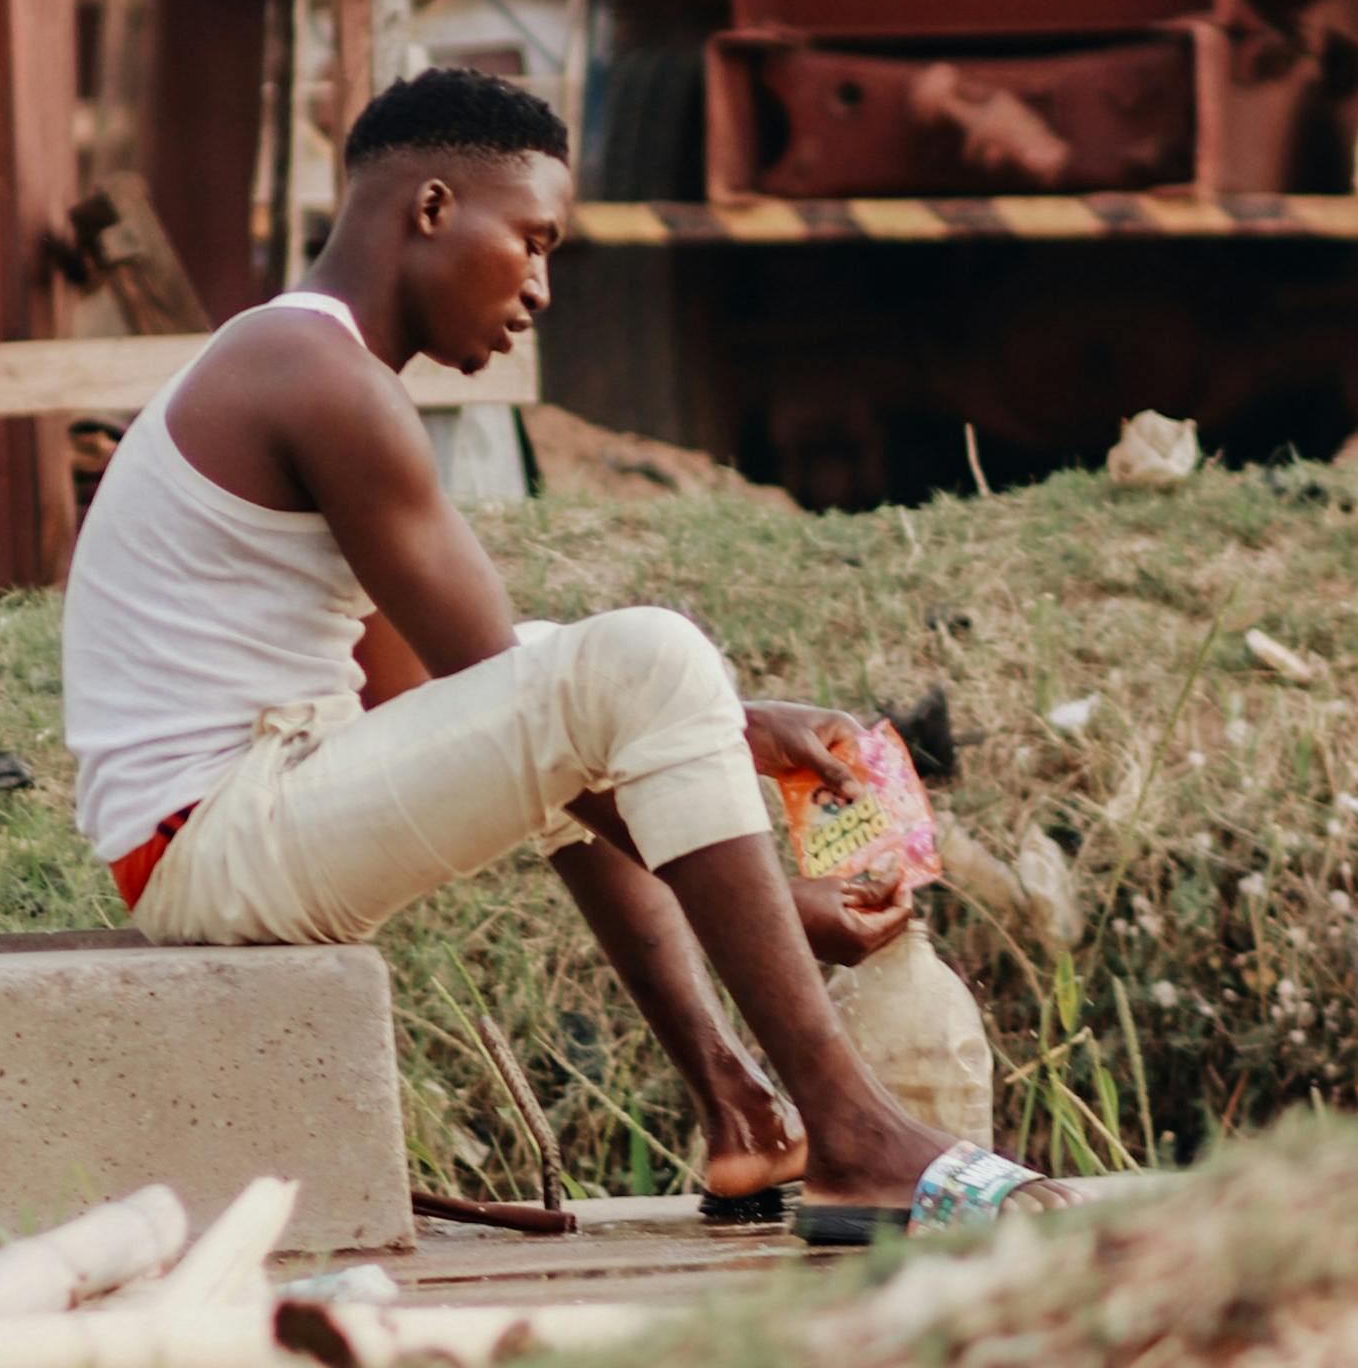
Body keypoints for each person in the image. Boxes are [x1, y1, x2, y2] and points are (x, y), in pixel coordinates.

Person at [62, 66, 1059, 1230]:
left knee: (585, 673)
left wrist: (736, 727)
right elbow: (518, 692)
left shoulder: (305, 363)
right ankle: (856, 1131)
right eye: (530, 241)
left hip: (223, 836)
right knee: (637, 657)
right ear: (431, 208)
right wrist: (778, 900)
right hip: (218, 842)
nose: (539, 287)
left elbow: (462, 693)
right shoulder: (319, 379)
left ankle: (741, 1109)